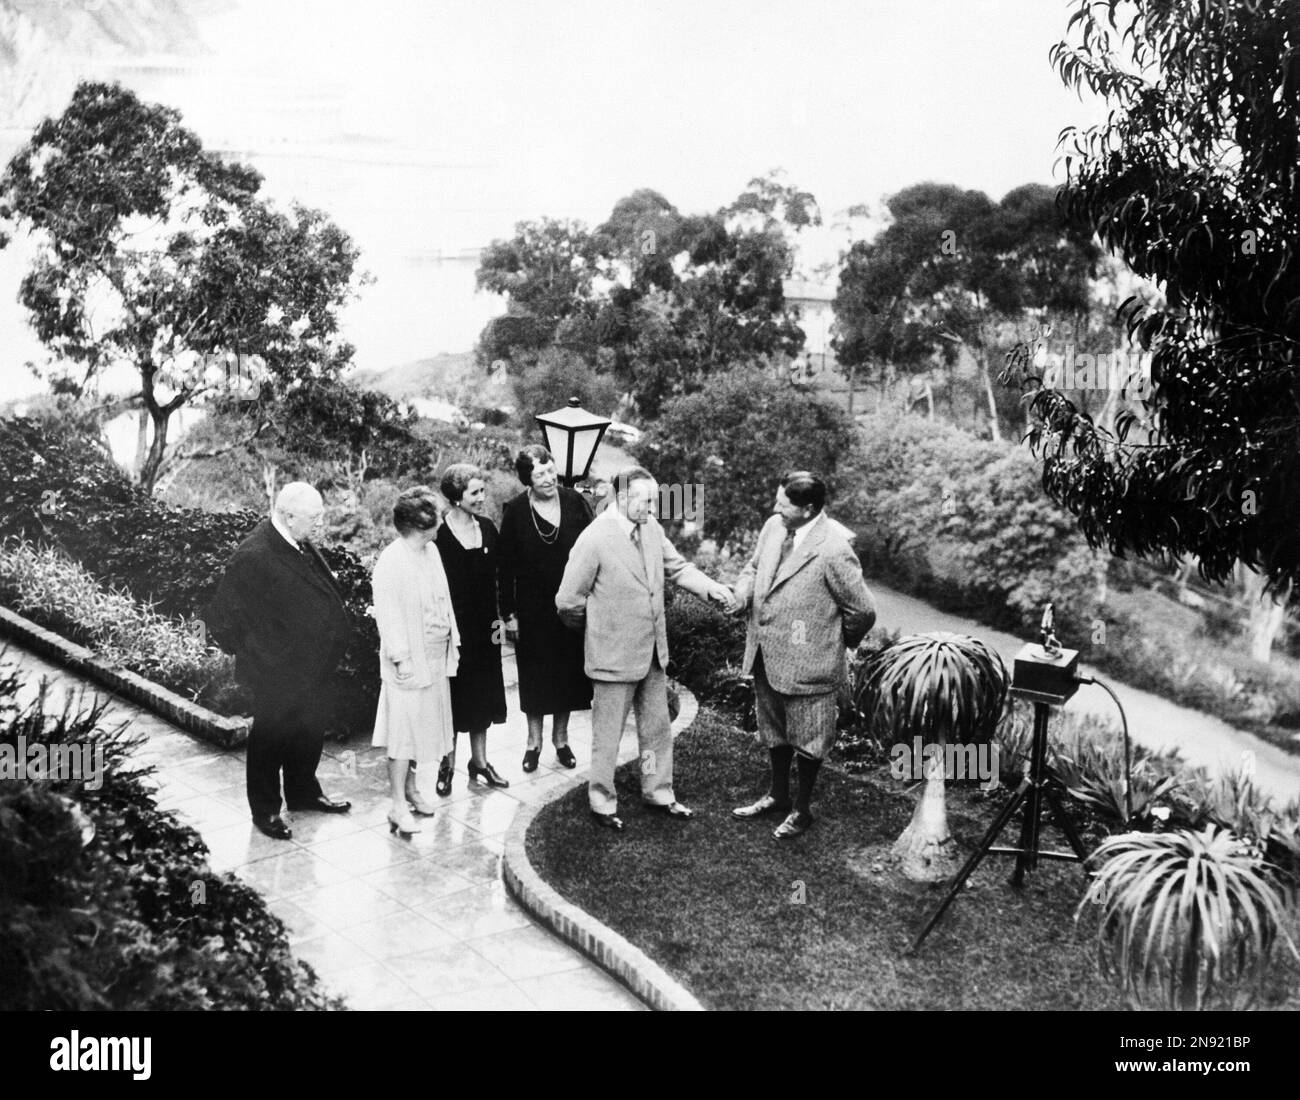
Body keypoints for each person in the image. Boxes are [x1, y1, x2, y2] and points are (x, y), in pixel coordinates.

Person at [556, 466, 736, 831]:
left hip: (653, 655)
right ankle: (602, 802)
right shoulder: (594, 539)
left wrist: (712, 588)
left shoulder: (652, 528)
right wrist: (598, 631)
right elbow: (567, 601)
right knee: (607, 736)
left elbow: (679, 568)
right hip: (612, 658)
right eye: (648, 500)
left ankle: (657, 791)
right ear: (623, 498)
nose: (654, 507)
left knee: (656, 731)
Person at [729, 472, 877, 838]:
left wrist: (829, 643)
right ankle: (778, 796)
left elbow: (862, 611)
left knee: (810, 740)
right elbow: (752, 567)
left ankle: (801, 810)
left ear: (808, 509)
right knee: (774, 731)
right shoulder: (774, 527)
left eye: (783, 504)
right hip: (766, 654)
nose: (775, 509)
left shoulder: (833, 549)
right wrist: (744, 591)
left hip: (810, 665)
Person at [204, 482, 352, 841]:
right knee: (271, 738)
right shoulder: (254, 554)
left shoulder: (296, 540)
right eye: (314, 517)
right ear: (287, 515)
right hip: (276, 671)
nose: (320, 523)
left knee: (308, 730)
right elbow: (223, 621)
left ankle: (303, 792)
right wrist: (263, 656)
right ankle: (266, 809)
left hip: (313, 666)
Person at [370, 486, 460, 837]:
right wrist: (401, 659)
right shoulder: (391, 562)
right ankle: (396, 804)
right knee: (402, 736)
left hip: (435, 659)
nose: (442, 523)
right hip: (407, 664)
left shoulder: (431, 551)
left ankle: (411, 791)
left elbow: (443, 600)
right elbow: (389, 618)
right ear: (422, 524)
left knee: (423, 731)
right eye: (437, 518)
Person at [497, 444, 593, 773]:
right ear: (527, 479)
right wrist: (508, 615)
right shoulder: (515, 511)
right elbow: (504, 568)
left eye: (551, 470)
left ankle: (561, 740)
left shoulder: (575, 502)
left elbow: (593, 550)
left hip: (569, 607)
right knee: (535, 677)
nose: (549, 479)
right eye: (540, 475)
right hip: (531, 611)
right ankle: (533, 743)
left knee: (567, 674)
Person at [434, 463, 509, 792]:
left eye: (483, 490)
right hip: (453, 630)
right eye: (475, 492)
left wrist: (505, 619)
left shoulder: (489, 528)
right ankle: (446, 764)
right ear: (455, 497)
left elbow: (502, 579)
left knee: (484, 694)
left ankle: (479, 763)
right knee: (452, 697)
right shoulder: (438, 536)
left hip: (487, 628)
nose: (482, 497)